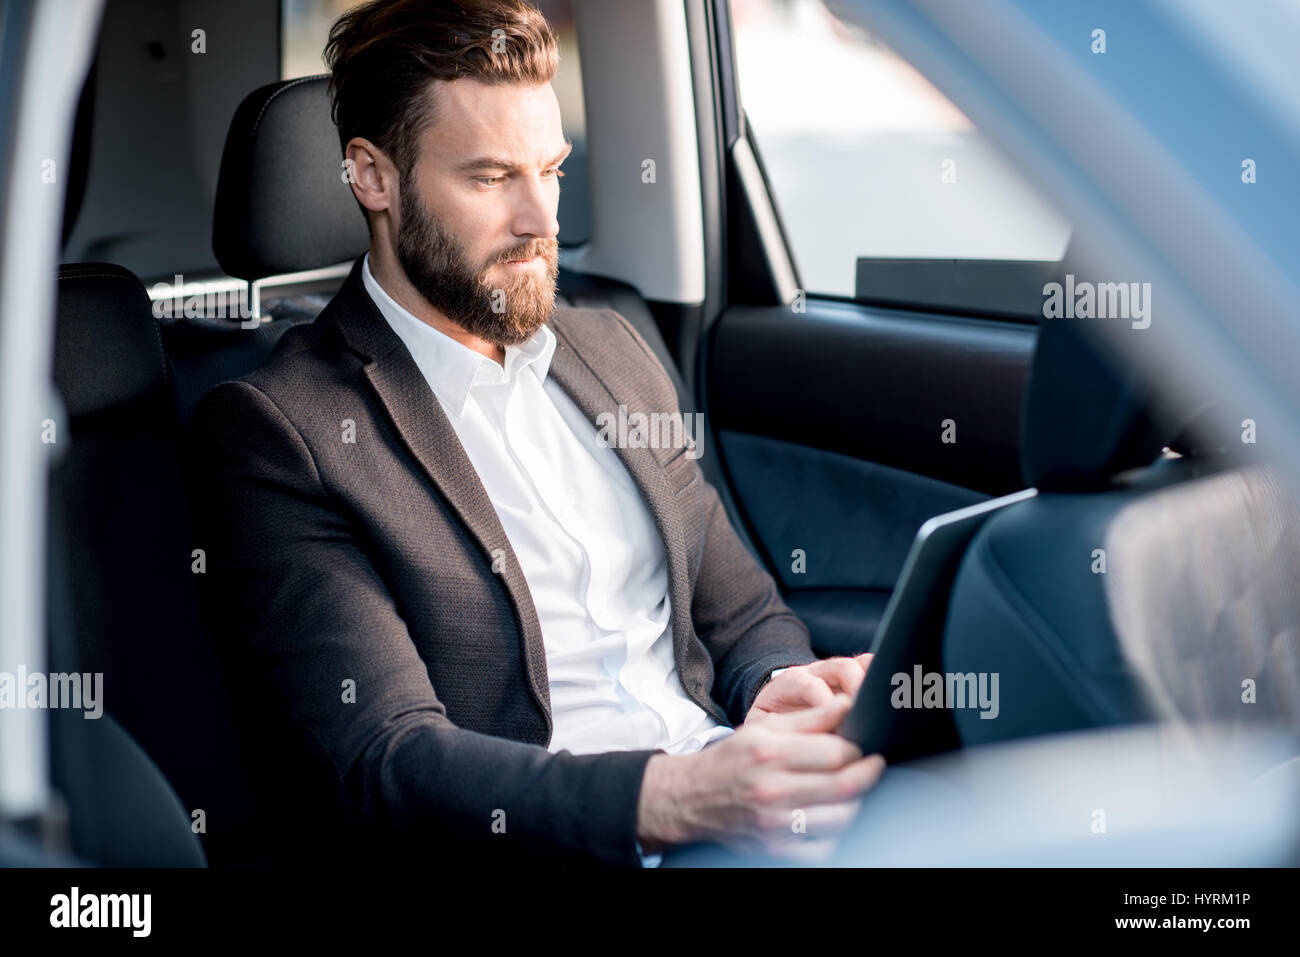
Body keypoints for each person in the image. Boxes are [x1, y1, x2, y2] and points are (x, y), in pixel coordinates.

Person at [187, 0, 883, 868]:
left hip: (746, 813)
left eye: (550, 169)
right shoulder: (282, 430)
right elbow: (388, 758)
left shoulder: (612, 348)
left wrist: (780, 686)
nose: (541, 221)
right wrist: (670, 796)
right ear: (372, 177)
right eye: (490, 179)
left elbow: (739, 609)